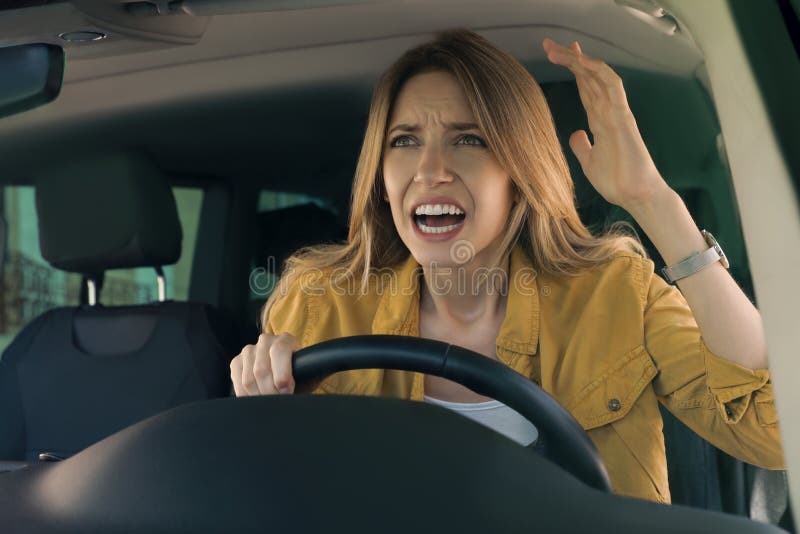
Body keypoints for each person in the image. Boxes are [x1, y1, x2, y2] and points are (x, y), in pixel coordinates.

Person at [230, 28, 783, 503]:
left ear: (520, 173)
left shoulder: (619, 296)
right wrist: (262, 416)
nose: (429, 170)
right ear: (382, 174)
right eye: (404, 142)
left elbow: (777, 433)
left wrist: (652, 200)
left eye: (467, 139)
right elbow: (279, 503)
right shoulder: (322, 303)